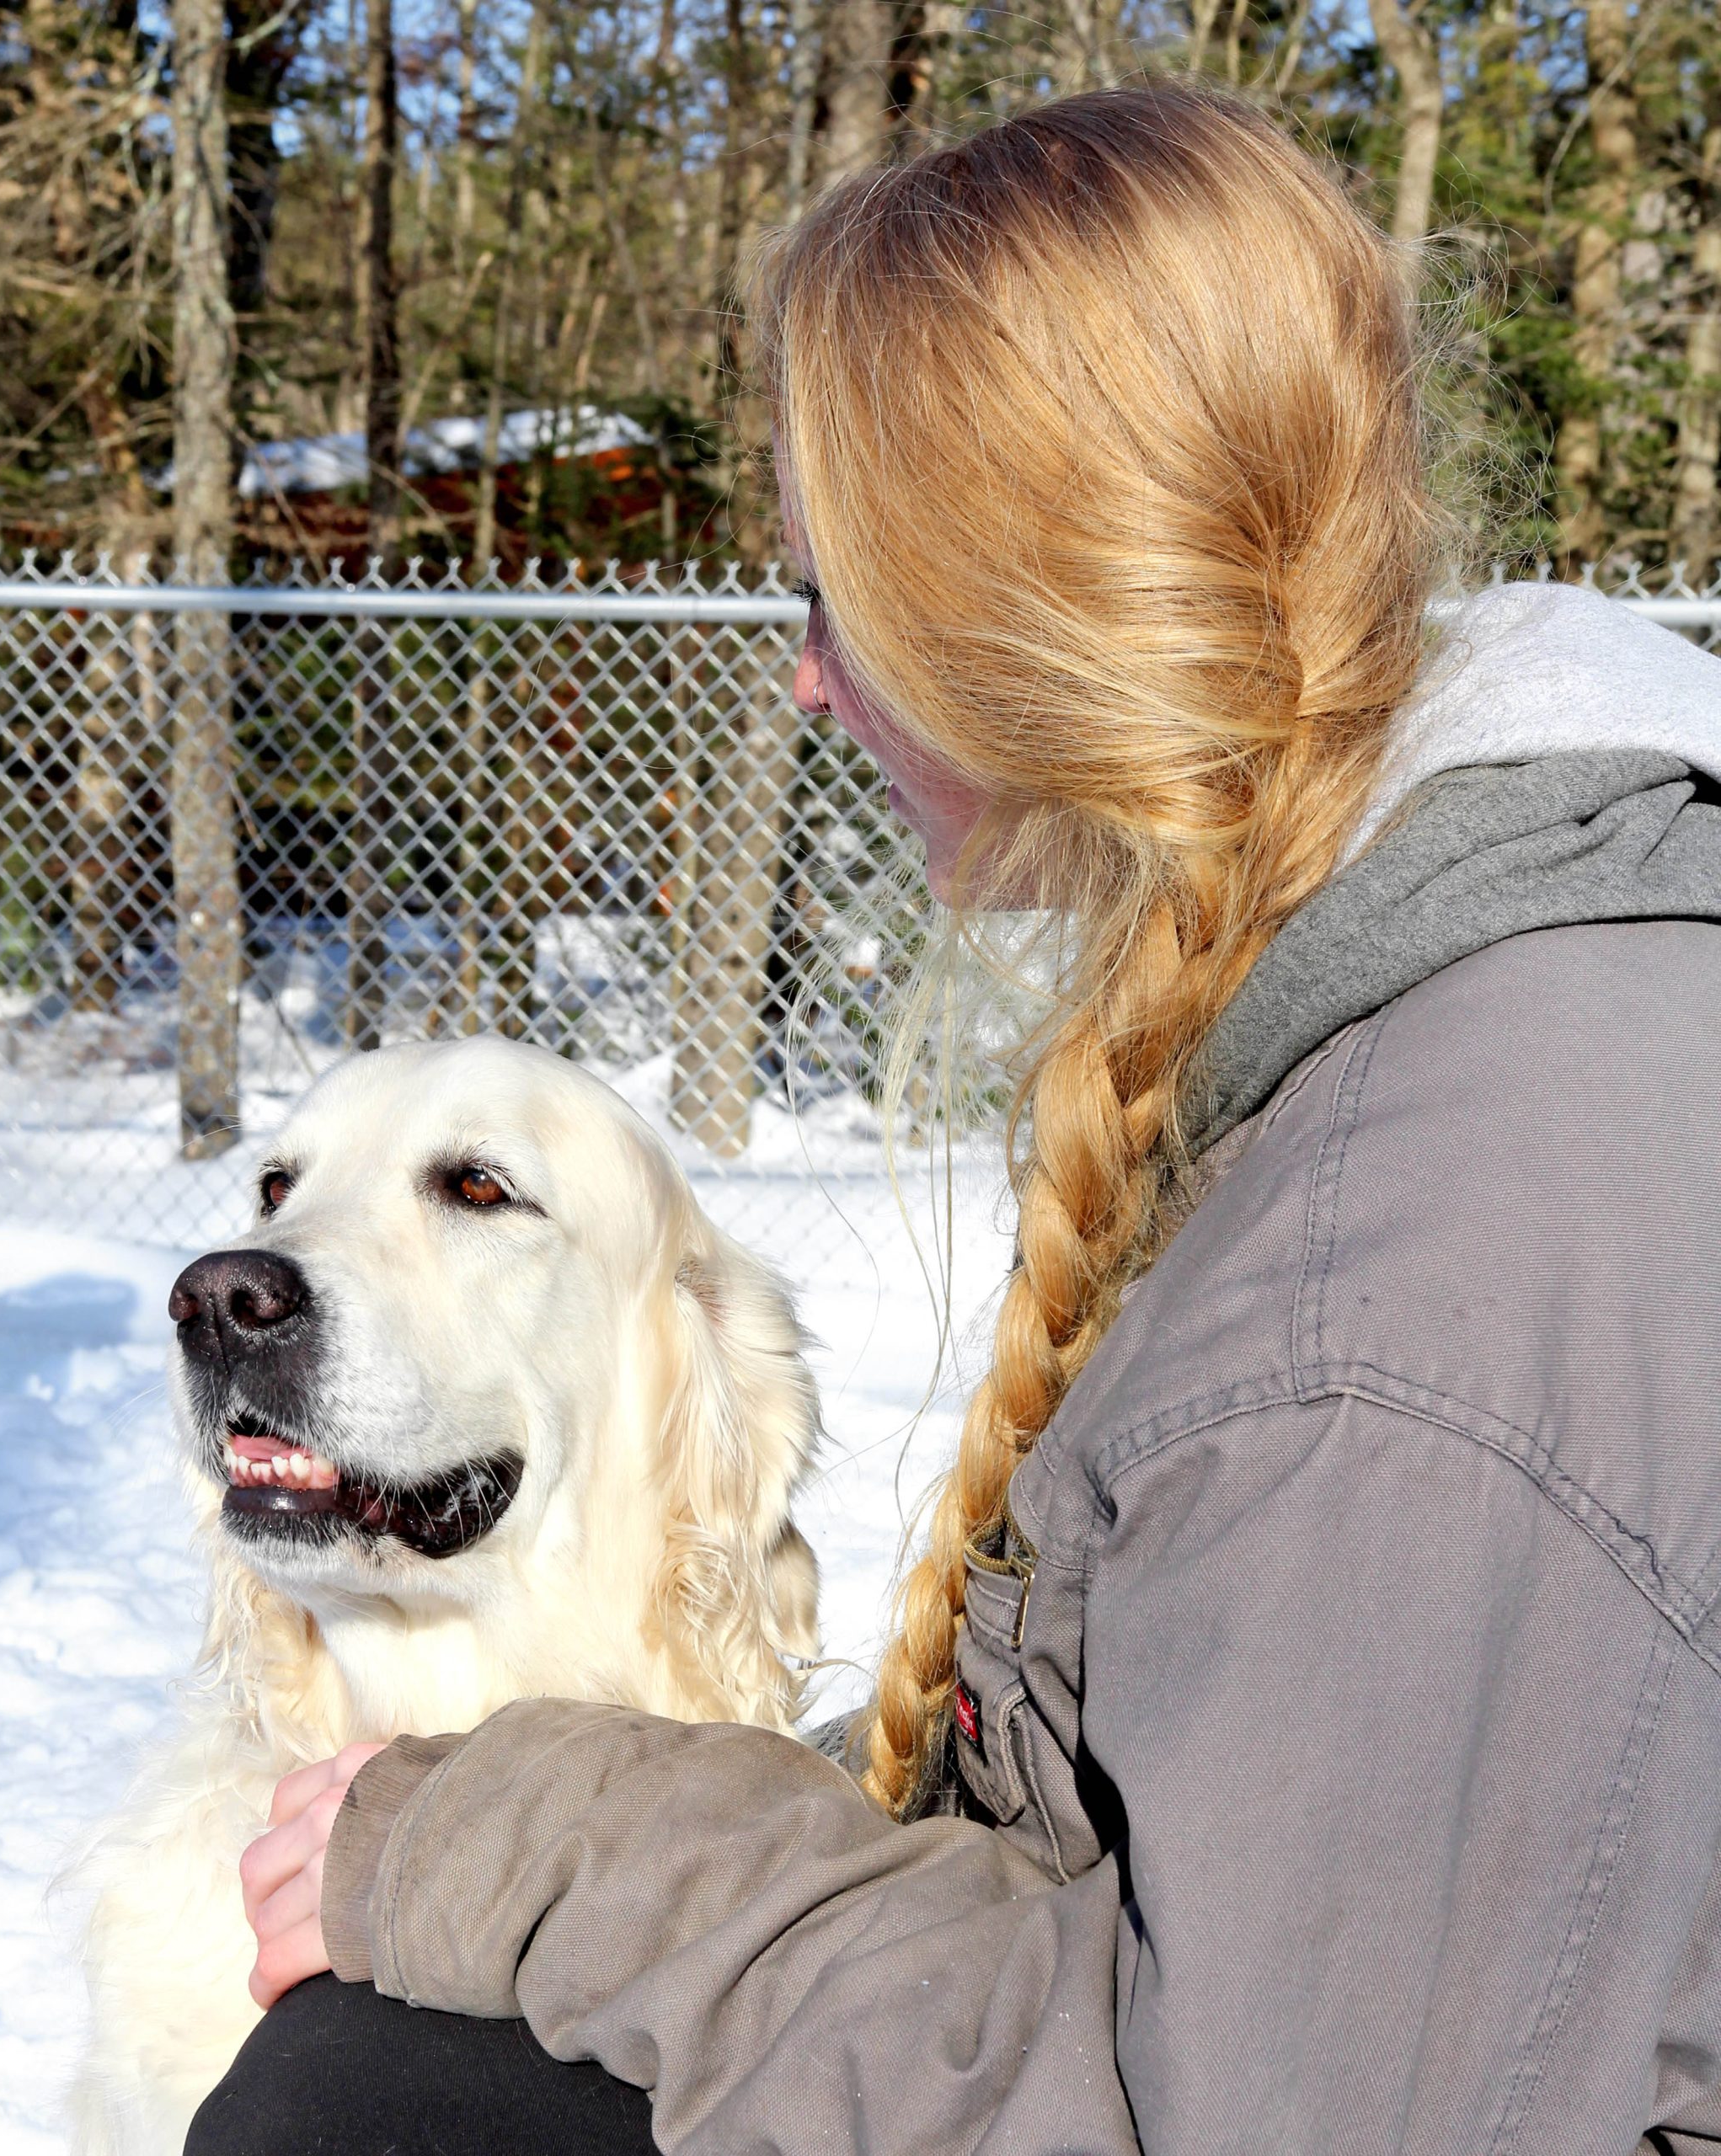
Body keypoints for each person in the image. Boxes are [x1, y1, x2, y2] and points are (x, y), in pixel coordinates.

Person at [188, 84, 1721, 2156]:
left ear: (1024, 614)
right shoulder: (1398, 1017)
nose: (810, 686)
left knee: (355, 2105)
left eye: (838, 607)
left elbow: (1254, 2110)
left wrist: (559, 1839)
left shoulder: (1419, 1269)